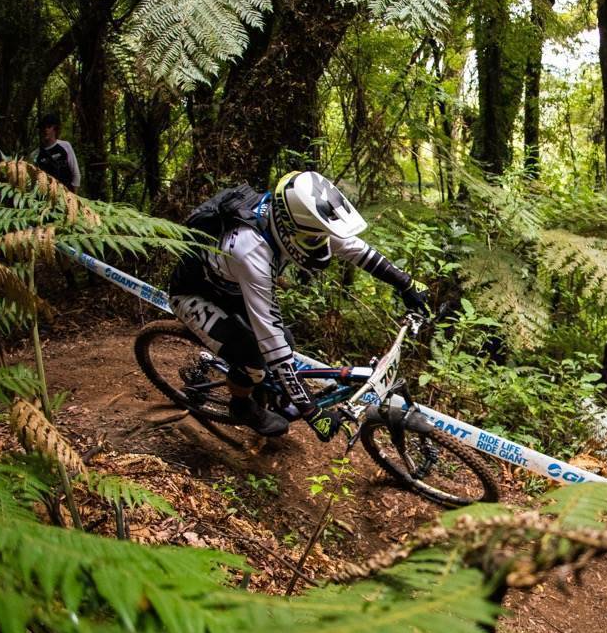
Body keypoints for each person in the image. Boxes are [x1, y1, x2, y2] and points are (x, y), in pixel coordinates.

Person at [167, 170, 429, 437]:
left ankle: (267, 393)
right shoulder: (251, 251)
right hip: (194, 294)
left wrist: (406, 283)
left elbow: (353, 248)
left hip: (232, 289)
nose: (320, 244)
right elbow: (271, 339)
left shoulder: (293, 220)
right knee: (253, 356)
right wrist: (310, 411)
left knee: (288, 343)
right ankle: (241, 405)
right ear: (288, 228)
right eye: (315, 239)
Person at [34, 113, 81, 190]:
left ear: (55, 129)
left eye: (49, 127)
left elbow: (75, 172)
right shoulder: (36, 154)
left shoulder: (65, 146)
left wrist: (73, 196)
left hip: (66, 193)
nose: (46, 130)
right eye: (43, 127)